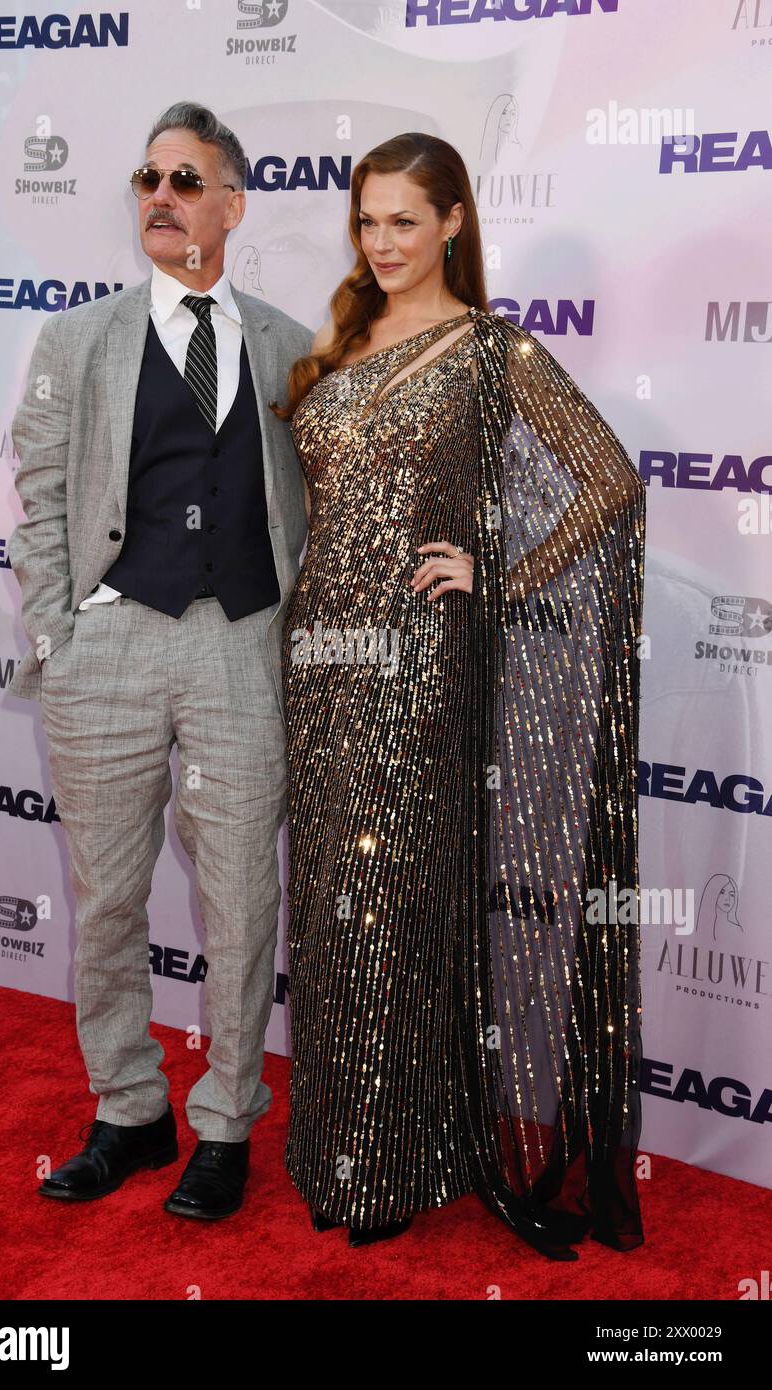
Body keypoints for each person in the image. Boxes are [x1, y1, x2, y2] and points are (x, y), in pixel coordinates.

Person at [272, 132, 646, 1258]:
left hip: (416, 666)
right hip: (320, 661)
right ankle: (335, 1146)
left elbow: (607, 483)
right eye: (365, 220)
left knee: (397, 906)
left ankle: (395, 1161)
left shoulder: (490, 350)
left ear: (450, 223)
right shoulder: (339, 344)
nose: (381, 242)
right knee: (334, 909)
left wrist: (502, 574)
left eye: (402, 219)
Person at [7, 102, 312, 1220]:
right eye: (147, 178)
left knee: (238, 897)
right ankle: (128, 1111)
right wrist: (60, 633)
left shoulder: (286, 345)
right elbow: (39, 495)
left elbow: (318, 507)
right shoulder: (77, 338)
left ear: (231, 204)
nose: (161, 197)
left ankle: (227, 1120)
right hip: (108, 648)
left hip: (242, 645)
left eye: (187, 180)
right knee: (107, 901)